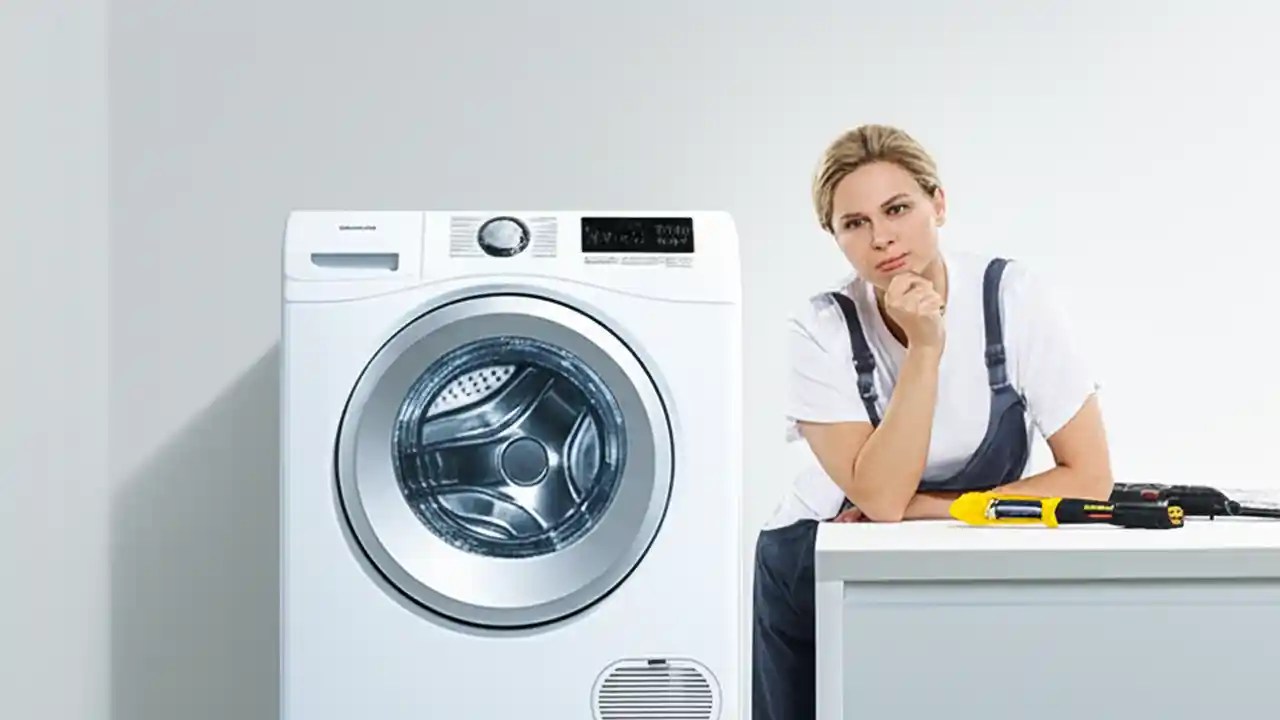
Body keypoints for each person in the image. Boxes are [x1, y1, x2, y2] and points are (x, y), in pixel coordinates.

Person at [752, 124, 1116, 720]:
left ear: (937, 203)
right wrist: (925, 348)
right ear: (835, 237)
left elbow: (1089, 477)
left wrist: (937, 509)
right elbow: (881, 500)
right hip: (819, 561)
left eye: (897, 208)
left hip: (965, 551)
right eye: (855, 223)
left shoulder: (1011, 298)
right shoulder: (820, 329)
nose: (882, 238)